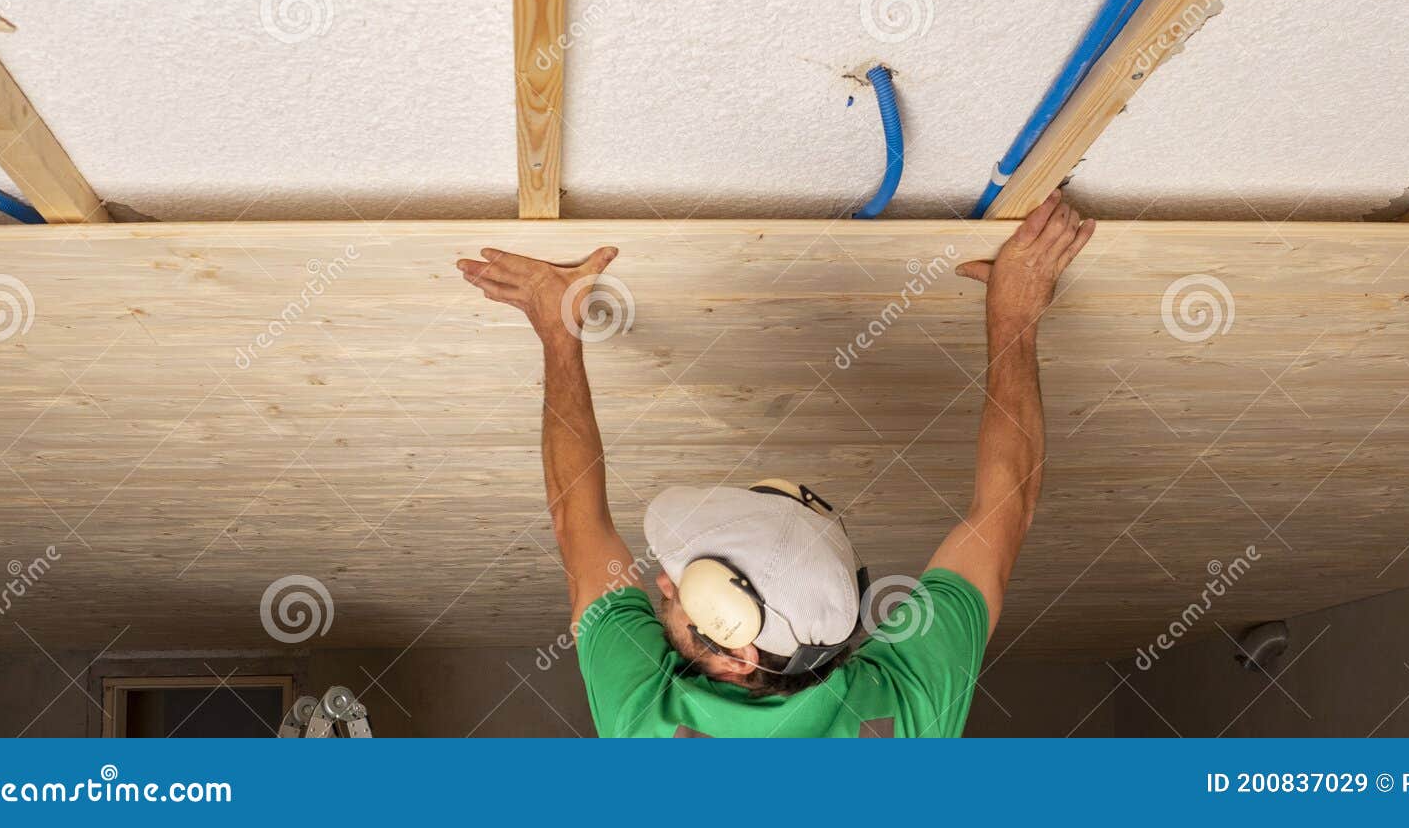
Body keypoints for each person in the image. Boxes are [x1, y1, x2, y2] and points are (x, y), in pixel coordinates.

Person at [456, 190, 1093, 736]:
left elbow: (1005, 514)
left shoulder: (908, 726)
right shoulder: (646, 727)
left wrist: (1015, 311)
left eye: (679, 589)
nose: (664, 585)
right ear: (740, 653)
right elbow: (1004, 507)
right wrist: (1015, 312)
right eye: (682, 589)